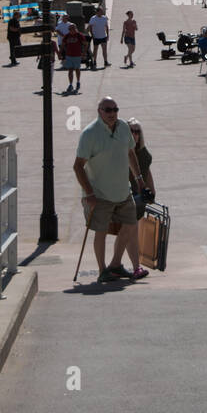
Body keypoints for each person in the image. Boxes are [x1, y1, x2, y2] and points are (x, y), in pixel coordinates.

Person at [73, 97, 152, 283]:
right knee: (100, 231)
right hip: (100, 194)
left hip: (123, 191)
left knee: (131, 225)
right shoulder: (89, 133)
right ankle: (102, 270)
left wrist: (139, 179)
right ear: (99, 111)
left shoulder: (123, 127)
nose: (112, 113)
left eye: (115, 109)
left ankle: (115, 264)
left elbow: (130, 152)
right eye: (108, 110)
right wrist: (89, 194)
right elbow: (78, 166)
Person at [127, 118, 156, 215]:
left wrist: (150, 194)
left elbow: (151, 189)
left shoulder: (143, 155)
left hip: (137, 202)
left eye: (137, 132)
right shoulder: (119, 152)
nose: (134, 135)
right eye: (131, 131)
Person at [61, 23, 86, 94]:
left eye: (72, 28)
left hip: (77, 55)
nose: (71, 30)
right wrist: (60, 53)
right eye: (70, 29)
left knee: (77, 69)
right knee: (70, 70)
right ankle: (70, 84)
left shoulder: (79, 35)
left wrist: (84, 53)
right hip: (69, 55)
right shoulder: (66, 36)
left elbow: (85, 44)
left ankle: (78, 82)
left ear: (75, 28)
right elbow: (63, 45)